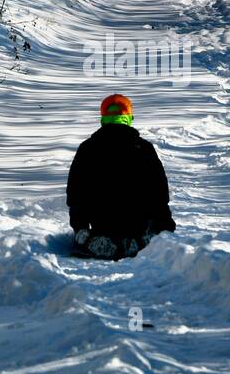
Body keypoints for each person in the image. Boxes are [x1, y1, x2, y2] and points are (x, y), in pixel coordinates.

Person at [67, 94, 176, 259]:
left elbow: (75, 192)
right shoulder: (143, 148)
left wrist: (79, 227)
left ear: (103, 118)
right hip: (137, 223)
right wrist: (166, 226)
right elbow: (159, 191)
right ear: (129, 117)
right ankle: (140, 242)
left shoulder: (88, 148)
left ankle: (93, 241)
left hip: (101, 223)